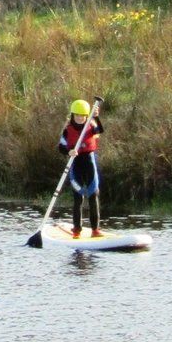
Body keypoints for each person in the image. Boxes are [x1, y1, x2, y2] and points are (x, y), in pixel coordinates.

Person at [58, 97, 104, 238]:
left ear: (86, 115)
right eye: (77, 115)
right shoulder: (67, 130)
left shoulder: (91, 124)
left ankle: (95, 230)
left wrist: (96, 116)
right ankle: (77, 230)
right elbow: (61, 147)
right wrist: (69, 151)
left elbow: (100, 130)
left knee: (93, 195)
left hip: (89, 162)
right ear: (73, 115)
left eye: (83, 115)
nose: (80, 118)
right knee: (78, 197)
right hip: (76, 163)